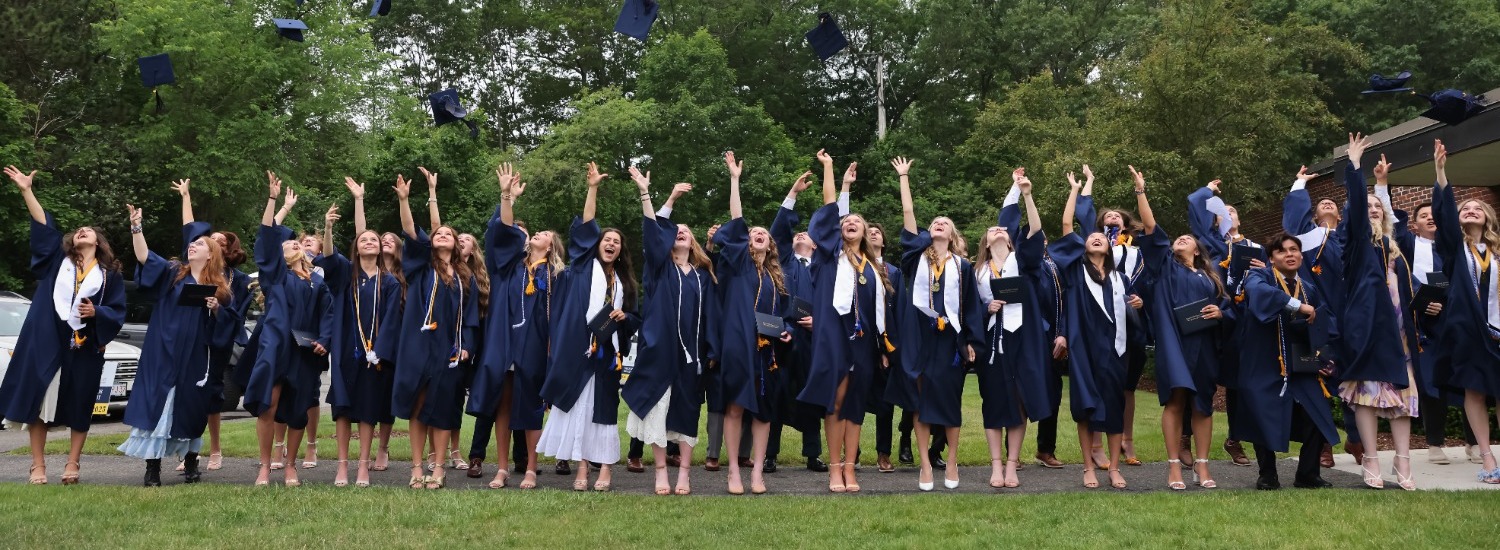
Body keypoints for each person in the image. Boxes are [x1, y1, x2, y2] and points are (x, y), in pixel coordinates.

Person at [0, 165, 126, 485]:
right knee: (41, 401)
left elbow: (117, 310)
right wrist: (27, 191)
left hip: (82, 343)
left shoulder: (109, 275)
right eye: (78, 230)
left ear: (99, 242)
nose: (82, 231)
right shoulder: (59, 261)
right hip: (48, 338)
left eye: (88, 230)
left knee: (81, 400)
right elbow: (43, 227)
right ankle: (38, 465)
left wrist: (97, 312)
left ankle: (73, 463)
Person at [118, 189, 237, 486]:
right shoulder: (172, 273)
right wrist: (136, 227)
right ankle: (152, 467)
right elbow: (144, 256)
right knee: (160, 405)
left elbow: (227, 326)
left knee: (191, 408)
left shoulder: (219, 289)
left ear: (211, 254)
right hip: (164, 351)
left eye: (199, 244)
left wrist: (215, 310)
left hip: (195, 357)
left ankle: (192, 460)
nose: (192, 247)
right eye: (192, 244)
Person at [537, 162, 640, 492]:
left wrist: (625, 318)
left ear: (622, 251)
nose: (611, 243)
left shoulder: (624, 281)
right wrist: (592, 188)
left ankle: (606, 470)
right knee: (581, 408)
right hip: (582, 347)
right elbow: (585, 226)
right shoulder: (584, 265)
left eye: (617, 242)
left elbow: (636, 317)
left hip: (608, 352)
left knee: (605, 411)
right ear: (596, 245)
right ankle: (582, 468)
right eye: (606, 239)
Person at [797, 150, 894, 493]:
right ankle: (834, 468)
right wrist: (831, 172)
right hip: (833, 335)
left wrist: (883, 345)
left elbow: (881, 311)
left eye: (857, 221)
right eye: (845, 221)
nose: (850, 222)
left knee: (855, 404)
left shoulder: (873, 269)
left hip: (863, 341)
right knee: (835, 401)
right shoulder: (828, 258)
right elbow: (829, 212)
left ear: (866, 231)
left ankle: (851, 468)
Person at [891, 155, 984, 493]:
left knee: (948, 400)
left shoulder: (962, 267)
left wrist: (972, 340)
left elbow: (972, 307)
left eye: (945, 222)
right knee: (919, 401)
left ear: (953, 233)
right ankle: (926, 465)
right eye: (935, 222)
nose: (939, 223)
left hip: (951, 342)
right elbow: (908, 217)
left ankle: (953, 459)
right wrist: (904, 178)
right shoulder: (916, 260)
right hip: (919, 338)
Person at [627, 165, 718, 496]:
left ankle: (684, 475)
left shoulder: (702, 277)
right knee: (658, 410)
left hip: (691, 358)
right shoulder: (659, 268)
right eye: (674, 229)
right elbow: (653, 232)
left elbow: (710, 318)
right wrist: (652, 194)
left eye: (685, 230)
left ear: (692, 241)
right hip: (660, 353)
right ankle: (661, 473)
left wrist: (710, 351)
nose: (680, 231)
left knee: (687, 411)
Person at [1135, 169, 1228, 490]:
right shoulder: (1164, 266)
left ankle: (1202, 466)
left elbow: (1228, 305)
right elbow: (1150, 227)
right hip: (1174, 343)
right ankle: (1174, 466)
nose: (1182, 238)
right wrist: (1140, 191)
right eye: (1178, 238)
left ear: (1199, 250)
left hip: (1204, 344)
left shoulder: (1211, 276)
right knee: (1175, 401)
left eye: (1187, 238)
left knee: (1203, 405)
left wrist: (1220, 311)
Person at [1378, 167, 1477, 465]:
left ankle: (1474, 442)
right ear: (1415, 225)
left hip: (1455, 318)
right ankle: (1435, 443)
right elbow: (1391, 222)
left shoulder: (1457, 248)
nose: (1429, 217)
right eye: (1422, 216)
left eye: (1433, 214)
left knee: (1468, 380)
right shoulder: (1408, 245)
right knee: (1433, 382)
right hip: (1424, 324)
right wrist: (1382, 185)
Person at [245, 171, 335, 487]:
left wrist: (325, 340)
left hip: (305, 350)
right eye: (289, 241)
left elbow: (329, 314)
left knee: (298, 408)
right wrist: (275, 202)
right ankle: (265, 467)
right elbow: (266, 234)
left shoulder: (319, 282)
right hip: (276, 346)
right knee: (268, 404)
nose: (294, 241)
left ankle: (292, 466)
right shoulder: (275, 277)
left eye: (298, 240)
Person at [391, 172, 480, 490]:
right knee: (417, 405)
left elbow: (470, 316)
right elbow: (412, 232)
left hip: (448, 348)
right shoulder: (419, 266)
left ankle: (438, 468)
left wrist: (467, 343)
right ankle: (417, 468)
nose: (441, 236)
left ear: (457, 244)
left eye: (448, 234)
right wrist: (406, 199)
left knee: (442, 409)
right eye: (437, 233)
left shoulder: (463, 276)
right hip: (416, 345)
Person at [477, 165, 560, 489]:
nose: (535, 235)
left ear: (550, 247)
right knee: (503, 406)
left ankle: (529, 468)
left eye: (542, 236)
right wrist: (506, 195)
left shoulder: (554, 276)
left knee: (531, 409)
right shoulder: (509, 268)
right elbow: (501, 232)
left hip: (535, 347)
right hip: (505, 343)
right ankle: (500, 468)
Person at [1235, 231, 1339, 490]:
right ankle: (1267, 474)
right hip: (1264, 362)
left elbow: (1325, 323)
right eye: (1282, 251)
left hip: (1301, 364)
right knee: (1263, 413)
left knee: (1317, 412)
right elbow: (1259, 294)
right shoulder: (1258, 276)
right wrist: (1296, 306)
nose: (1289, 254)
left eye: (1294, 250)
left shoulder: (1309, 287)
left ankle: (1307, 474)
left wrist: (1324, 356)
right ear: (1271, 259)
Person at [1052, 169, 1135, 490]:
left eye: (1100, 236)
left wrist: (1137, 305)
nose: (1096, 236)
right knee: (1086, 408)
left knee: (1113, 408)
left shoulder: (1120, 280)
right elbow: (1066, 226)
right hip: (1084, 350)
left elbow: (1130, 316)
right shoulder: (1075, 270)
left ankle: (1114, 468)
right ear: (1083, 247)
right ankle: (1088, 467)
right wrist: (1075, 189)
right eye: (1091, 236)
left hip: (1115, 350)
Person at [713, 152, 790, 495]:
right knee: (735, 407)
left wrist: (785, 328)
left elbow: (783, 313)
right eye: (752, 232)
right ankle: (733, 471)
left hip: (767, 352)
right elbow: (736, 220)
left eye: (763, 232)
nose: (757, 233)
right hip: (739, 346)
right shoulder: (735, 267)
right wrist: (734, 180)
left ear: (771, 244)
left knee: (763, 413)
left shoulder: (777, 278)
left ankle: (757, 472)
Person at [318, 177, 403, 488]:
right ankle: (342, 466)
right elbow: (328, 256)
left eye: (374, 240)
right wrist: (328, 228)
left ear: (382, 248)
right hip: (345, 351)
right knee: (342, 408)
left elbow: (392, 320)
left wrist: (379, 351)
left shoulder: (389, 282)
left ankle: (364, 467)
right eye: (363, 239)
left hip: (374, 356)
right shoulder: (345, 274)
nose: (369, 241)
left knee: (368, 410)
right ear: (356, 247)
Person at [973, 168, 1050, 489]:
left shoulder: (1025, 263)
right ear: (986, 242)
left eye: (1002, 228)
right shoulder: (975, 271)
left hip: (1024, 339)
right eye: (992, 229)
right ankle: (995, 465)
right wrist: (984, 308)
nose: (998, 230)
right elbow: (965, 308)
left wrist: (1026, 194)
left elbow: (1034, 229)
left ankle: (1012, 465)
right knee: (994, 401)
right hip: (992, 342)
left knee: (1020, 401)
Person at [1429, 139, 1500, 484]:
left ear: (1489, 217)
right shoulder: (1455, 250)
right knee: (1475, 390)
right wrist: (1441, 174)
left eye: (1477, 207)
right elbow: (1443, 216)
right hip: (1470, 330)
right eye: (1464, 208)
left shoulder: (1498, 253)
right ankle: (1487, 458)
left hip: (1499, 330)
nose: (1470, 210)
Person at [1283, 163, 1358, 466]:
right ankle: (1325, 442)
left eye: (1334, 203)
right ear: (1313, 216)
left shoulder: (1350, 238)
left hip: (1352, 317)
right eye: (1321, 203)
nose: (1328, 203)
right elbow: (1292, 222)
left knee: (1354, 380)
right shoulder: (1310, 238)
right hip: (1319, 319)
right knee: (1321, 380)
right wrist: (1299, 184)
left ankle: (1355, 439)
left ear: (1341, 215)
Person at [1073, 166, 1148, 468]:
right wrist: (1088, 183)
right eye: (1107, 216)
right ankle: (1095, 444)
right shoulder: (1091, 246)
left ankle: (1126, 440)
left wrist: (1142, 302)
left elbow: (1147, 284)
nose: (1113, 218)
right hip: (1096, 324)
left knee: (1124, 386)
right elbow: (1081, 217)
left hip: (1129, 325)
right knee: (1095, 383)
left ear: (1127, 222)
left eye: (1118, 215)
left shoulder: (1136, 253)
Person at [1186, 182, 1261, 468]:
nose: (1228, 213)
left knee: (1237, 381)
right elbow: (1195, 203)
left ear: (1238, 219)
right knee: (1195, 376)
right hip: (1208, 317)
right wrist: (1207, 190)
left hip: (1240, 320)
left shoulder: (1254, 249)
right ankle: (1184, 437)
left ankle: (1235, 437)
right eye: (1222, 211)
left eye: (1232, 211)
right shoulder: (1208, 245)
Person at [998, 176, 1067, 469]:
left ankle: (1045, 448)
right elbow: (1008, 223)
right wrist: (1018, 191)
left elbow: (1067, 304)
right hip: (1025, 334)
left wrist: (1063, 334)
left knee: (1051, 392)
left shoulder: (1056, 267)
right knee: (1015, 391)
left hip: (1052, 336)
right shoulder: (1023, 264)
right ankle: (1010, 450)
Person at [768, 175, 830, 475]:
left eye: (807, 234)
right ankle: (769, 454)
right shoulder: (784, 263)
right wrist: (792, 192)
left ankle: (813, 454)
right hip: (781, 337)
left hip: (811, 340)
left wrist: (818, 323)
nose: (801, 235)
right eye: (797, 234)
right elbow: (778, 231)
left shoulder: (821, 270)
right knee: (776, 396)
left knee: (811, 395)